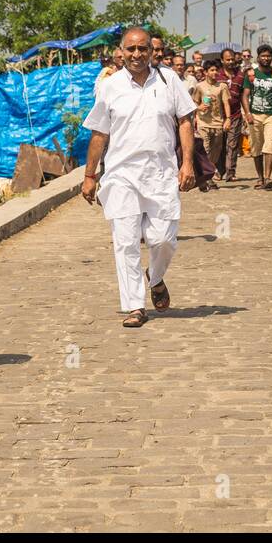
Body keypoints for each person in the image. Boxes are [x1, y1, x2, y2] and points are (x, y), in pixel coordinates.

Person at [82, 27, 196, 327]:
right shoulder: (111, 86)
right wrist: (90, 175)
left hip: (161, 174)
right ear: (121, 52)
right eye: (130, 50)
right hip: (121, 174)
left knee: (164, 239)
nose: (136, 55)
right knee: (126, 241)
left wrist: (187, 164)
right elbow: (98, 133)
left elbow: (185, 121)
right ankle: (134, 306)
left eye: (142, 49)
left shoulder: (169, 80)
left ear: (152, 51)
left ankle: (155, 277)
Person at [242, 43, 272, 190]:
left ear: (271, 57)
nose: (266, 58)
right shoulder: (251, 74)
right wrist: (248, 113)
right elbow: (245, 96)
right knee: (256, 148)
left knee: (270, 144)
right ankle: (260, 178)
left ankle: (268, 178)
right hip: (255, 115)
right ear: (258, 57)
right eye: (263, 56)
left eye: (268, 56)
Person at [194, 63, 232, 179]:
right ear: (205, 72)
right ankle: (207, 176)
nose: (215, 72)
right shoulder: (199, 86)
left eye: (216, 70)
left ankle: (209, 169)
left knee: (216, 150)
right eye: (212, 70)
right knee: (205, 149)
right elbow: (195, 102)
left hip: (218, 123)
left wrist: (228, 119)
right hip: (203, 122)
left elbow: (226, 103)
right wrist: (199, 107)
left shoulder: (222, 86)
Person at [218, 47, 245, 182]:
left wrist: (246, 113)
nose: (230, 62)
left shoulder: (240, 75)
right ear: (222, 60)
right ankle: (219, 171)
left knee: (233, 145)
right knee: (219, 145)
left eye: (232, 59)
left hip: (235, 115)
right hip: (218, 117)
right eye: (227, 59)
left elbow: (243, 96)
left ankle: (230, 172)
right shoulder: (217, 75)